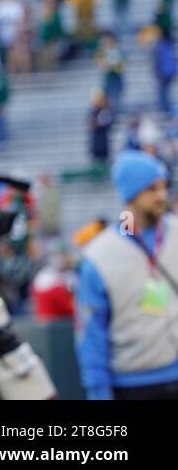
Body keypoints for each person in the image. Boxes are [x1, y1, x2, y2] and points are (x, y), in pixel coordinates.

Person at [76, 150, 178, 399]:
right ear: (131, 195)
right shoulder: (99, 255)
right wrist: (99, 393)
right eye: (151, 189)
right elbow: (91, 334)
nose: (161, 195)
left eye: (163, 187)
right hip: (132, 385)